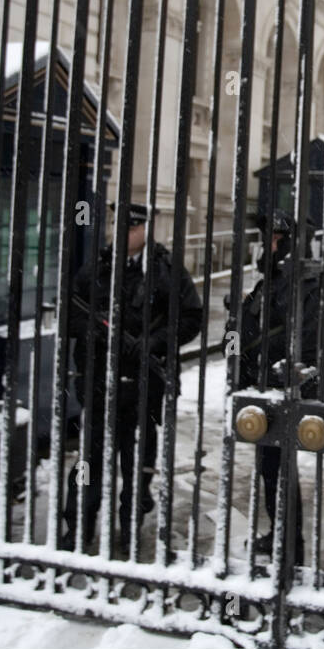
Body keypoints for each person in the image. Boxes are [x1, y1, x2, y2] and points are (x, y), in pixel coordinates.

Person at [61, 202, 203, 555]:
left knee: (138, 465)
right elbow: (71, 314)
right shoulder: (97, 268)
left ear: (144, 229)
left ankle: (130, 528)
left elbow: (190, 318)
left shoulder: (167, 270)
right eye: (117, 226)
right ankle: (78, 527)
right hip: (100, 382)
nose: (123, 234)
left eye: (131, 228)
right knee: (88, 462)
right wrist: (98, 335)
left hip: (145, 386)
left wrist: (152, 342)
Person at [226, 210, 324, 566]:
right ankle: (281, 536)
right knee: (270, 469)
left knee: (280, 469)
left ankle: (290, 547)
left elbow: (301, 337)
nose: (265, 245)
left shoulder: (307, 280)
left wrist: (283, 373)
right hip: (263, 386)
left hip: (284, 387)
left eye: (272, 238)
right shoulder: (273, 278)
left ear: (288, 240)